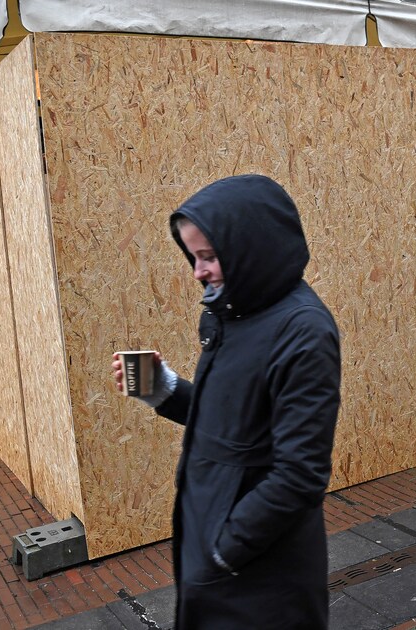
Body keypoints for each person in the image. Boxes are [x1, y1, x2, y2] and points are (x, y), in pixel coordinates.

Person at [111, 174, 341, 628]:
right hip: (216, 555)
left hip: (260, 576)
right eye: (194, 257)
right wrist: (163, 389)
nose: (198, 272)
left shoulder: (304, 332)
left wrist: (223, 550)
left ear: (250, 248)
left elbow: (300, 474)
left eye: (209, 257)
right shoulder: (233, 312)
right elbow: (233, 423)